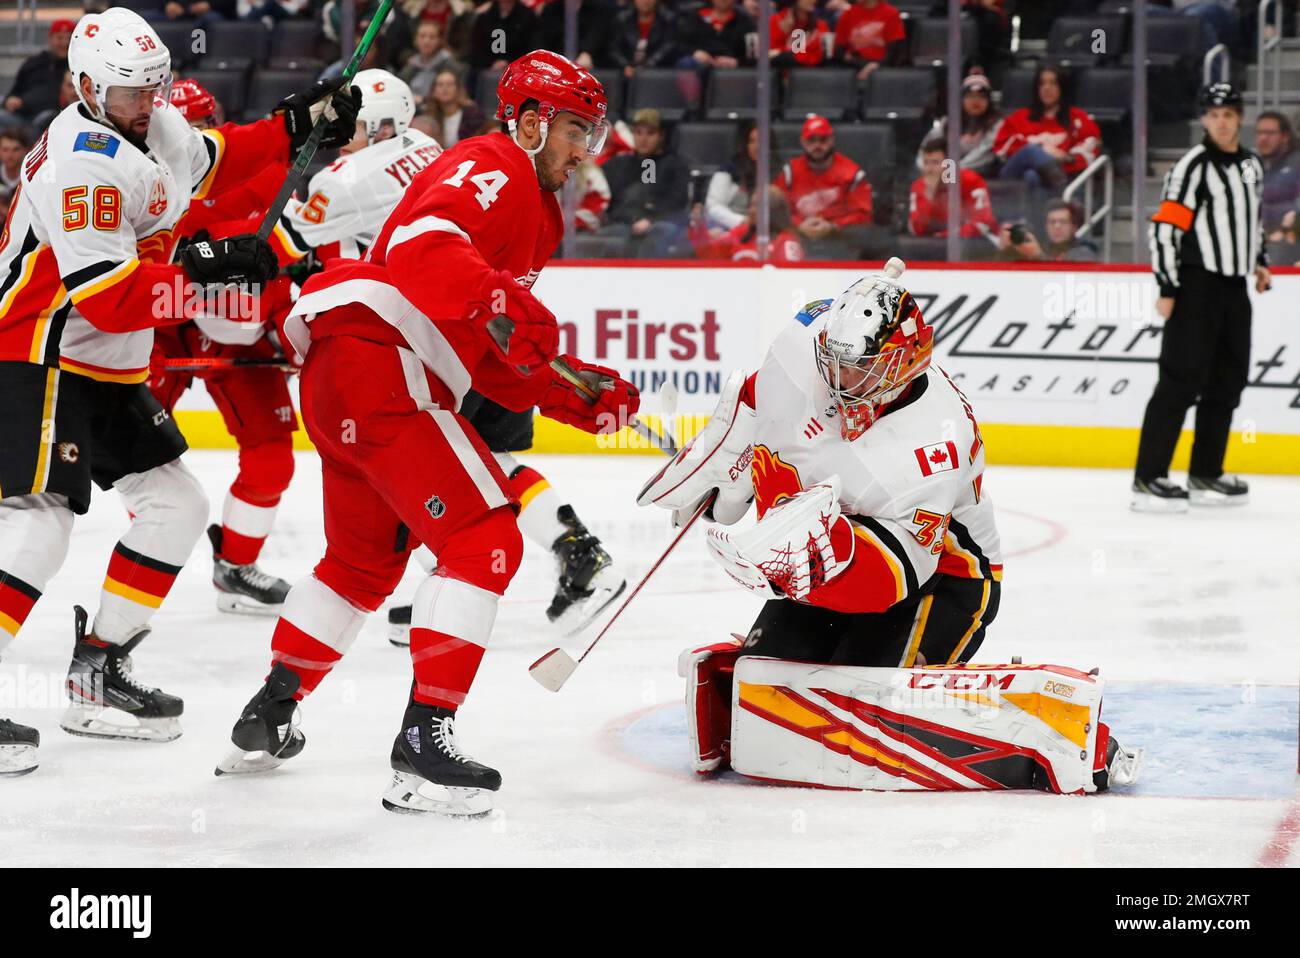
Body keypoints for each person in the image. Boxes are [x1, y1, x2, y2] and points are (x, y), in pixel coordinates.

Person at [218, 51, 640, 818]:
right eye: (577, 129)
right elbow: (422, 250)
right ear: (534, 120)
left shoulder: (537, 207)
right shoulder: (496, 162)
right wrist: (500, 305)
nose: (587, 150)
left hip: (358, 376)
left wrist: (571, 389)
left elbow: (490, 348)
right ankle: (423, 745)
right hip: (384, 362)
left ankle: (269, 711)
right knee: (487, 541)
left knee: (358, 565)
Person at [0, 8, 358, 773]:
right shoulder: (81, 160)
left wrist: (296, 127)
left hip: (101, 361)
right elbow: (108, 296)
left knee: (178, 506)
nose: (148, 101)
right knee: (39, 527)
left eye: (154, 87)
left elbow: (216, 159)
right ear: (89, 86)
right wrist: (206, 274)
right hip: (38, 354)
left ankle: (99, 670)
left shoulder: (148, 121)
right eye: (132, 91)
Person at [636, 261, 1144, 793]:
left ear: (903, 363)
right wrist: (727, 463)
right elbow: (760, 402)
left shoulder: (934, 444)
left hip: (939, 581)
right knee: (768, 690)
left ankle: (1035, 730)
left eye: (859, 368)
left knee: (858, 709)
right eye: (833, 360)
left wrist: (795, 548)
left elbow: (889, 580)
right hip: (822, 557)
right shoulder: (803, 341)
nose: (838, 378)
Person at [145, 77, 304, 617]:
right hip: (164, 330)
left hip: (246, 341)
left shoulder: (263, 179)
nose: (194, 139)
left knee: (273, 458)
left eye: (203, 127)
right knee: (121, 450)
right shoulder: (143, 189)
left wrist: (290, 330)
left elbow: (295, 268)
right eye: (182, 130)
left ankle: (235, 566)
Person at [1136, 82, 1269, 511]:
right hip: (1196, 286)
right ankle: (1149, 477)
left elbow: (1254, 219)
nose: (1222, 122)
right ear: (1204, 120)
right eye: (1214, 115)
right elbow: (1164, 229)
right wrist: (1168, 286)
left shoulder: (1251, 164)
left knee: (1228, 381)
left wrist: (1260, 261)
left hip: (1235, 288)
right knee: (1179, 381)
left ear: (1240, 117)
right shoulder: (1192, 167)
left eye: (1229, 114)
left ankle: (1206, 473)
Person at [773, 114, 875, 260]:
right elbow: (777, 208)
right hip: (798, 238)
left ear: (832, 140)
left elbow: (864, 214)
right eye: (811, 140)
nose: (817, 146)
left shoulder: (852, 173)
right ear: (802, 141)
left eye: (823, 140)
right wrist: (798, 225)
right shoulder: (789, 172)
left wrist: (833, 226)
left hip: (841, 241)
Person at [602, 108, 691, 258]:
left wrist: (650, 219)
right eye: (638, 133)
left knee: (660, 231)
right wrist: (634, 219)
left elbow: (677, 202)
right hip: (626, 224)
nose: (643, 139)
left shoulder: (675, 165)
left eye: (650, 133)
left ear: (661, 136)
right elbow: (616, 203)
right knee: (603, 237)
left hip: (663, 222)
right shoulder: (618, 164)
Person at [994, 65, 1100, 191]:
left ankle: (1046, 203)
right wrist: (1042, 150)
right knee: (1031, 151)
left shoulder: (1079, 118)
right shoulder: (1019, 117)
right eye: (1042, 84)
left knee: (1032, 176)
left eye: (1053, 83)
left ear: (1063, 87)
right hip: (1014, 175)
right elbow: (1001, 151)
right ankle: (1061, 187)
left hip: (1060, 174)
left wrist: (1062, 159)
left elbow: (1090, 151)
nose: (1047, 88)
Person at [908, 136, 999, 240]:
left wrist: (944, 237)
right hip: (936, 245)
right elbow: (916, 229)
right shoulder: (919, 186)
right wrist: (930, 195)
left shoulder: (971, 180)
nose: (929, 169)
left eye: (935, 163)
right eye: (926, 163)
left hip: (974, 244)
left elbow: (983, 224)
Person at [915, 73, 1003, 178]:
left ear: (989, 101)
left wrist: (951, 171)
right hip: (945, 174)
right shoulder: (948, 123)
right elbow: (927, 147)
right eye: (970, 96)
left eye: (981, 97)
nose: (976, 101)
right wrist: (925, 167)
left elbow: (982, 155)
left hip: (978, 175)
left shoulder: (997, 125)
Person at [690, 184, 804, 261]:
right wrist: (699, 228)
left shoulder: (786, 241)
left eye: (758, 206)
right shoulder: (740, 233)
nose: (752, 210)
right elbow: (710, 254)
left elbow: (790, 277)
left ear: (774, 210)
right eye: (751, 205)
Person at [0, 20, 74, 132]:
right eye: (59, 38)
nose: (64, 43)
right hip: (20, 115)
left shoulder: (75, 66)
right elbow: (15, 90)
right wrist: (9, 100)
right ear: (50, 39)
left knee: (46, 119)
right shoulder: (33, 62)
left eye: (69, 38)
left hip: (50, 117)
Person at [997, 198, 1097, 262]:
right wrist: (1005, 250)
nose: (1057, 226)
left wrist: (1038, 256)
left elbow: (1063, 282)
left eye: (1063, 222)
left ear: (1074, 227)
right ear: (1046, 226)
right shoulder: (1038, 247)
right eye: (1052, 222)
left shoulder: (1084, 252)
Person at [705, 120, 761, 231]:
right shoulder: (729, 170)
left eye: (762, 141)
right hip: (732, 229)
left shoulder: (780, 170)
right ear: (745, 144)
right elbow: (713, 207)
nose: (757, 146)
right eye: (752, 141)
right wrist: (742, 221)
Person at [1254, 110, 1300, 238]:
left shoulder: (1297, 163)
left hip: (1289, 241)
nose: (1263, 138)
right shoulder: (1250, 164)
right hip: (1258, 240)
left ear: (1285, 137)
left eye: (1270, 133)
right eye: (1260, 133)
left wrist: (1284, 229)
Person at [834, 0, 906, 81]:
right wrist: (858, 63)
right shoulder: (848, 14)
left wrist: (875, 66)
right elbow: (839, 49)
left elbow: (894, 52)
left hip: (883, 69)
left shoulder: (891, 13)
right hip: (854, 67)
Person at [610, 0, 681, 78]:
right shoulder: (622, 19)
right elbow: (614, 48)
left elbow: (669, 47)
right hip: (625, 73)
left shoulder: (668, 19)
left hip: (658, 72)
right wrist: (625, 66)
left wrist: (647, 66)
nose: (645, 1)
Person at [400, 20, 464, 104]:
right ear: (416, 40)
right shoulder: (410, 66)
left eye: (432, 37)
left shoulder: (452, 67)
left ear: (440, 40)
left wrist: (424, 100)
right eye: (422, 36)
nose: (426, 41)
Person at [420, 68, 487, 147]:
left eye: (450, 84)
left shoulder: (474, 114)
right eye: (440, 84)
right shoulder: (429, 117)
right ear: (434, 92)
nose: (445, 88)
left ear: (458, 89)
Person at [468, 0, 538, 71]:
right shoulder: (485, 16)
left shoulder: (527, 16)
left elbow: (531, 47)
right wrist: (491, 63)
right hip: (487, 68)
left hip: (518, 68)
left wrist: (511, 63)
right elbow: (477, 48)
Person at [769, 0, 831, 70]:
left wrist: (782, 52)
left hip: (808, 76)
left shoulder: (820, 25)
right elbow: (769, 55)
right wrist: (783, 32)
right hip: (778, 75)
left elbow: (817, 58)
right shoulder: (775, 21)